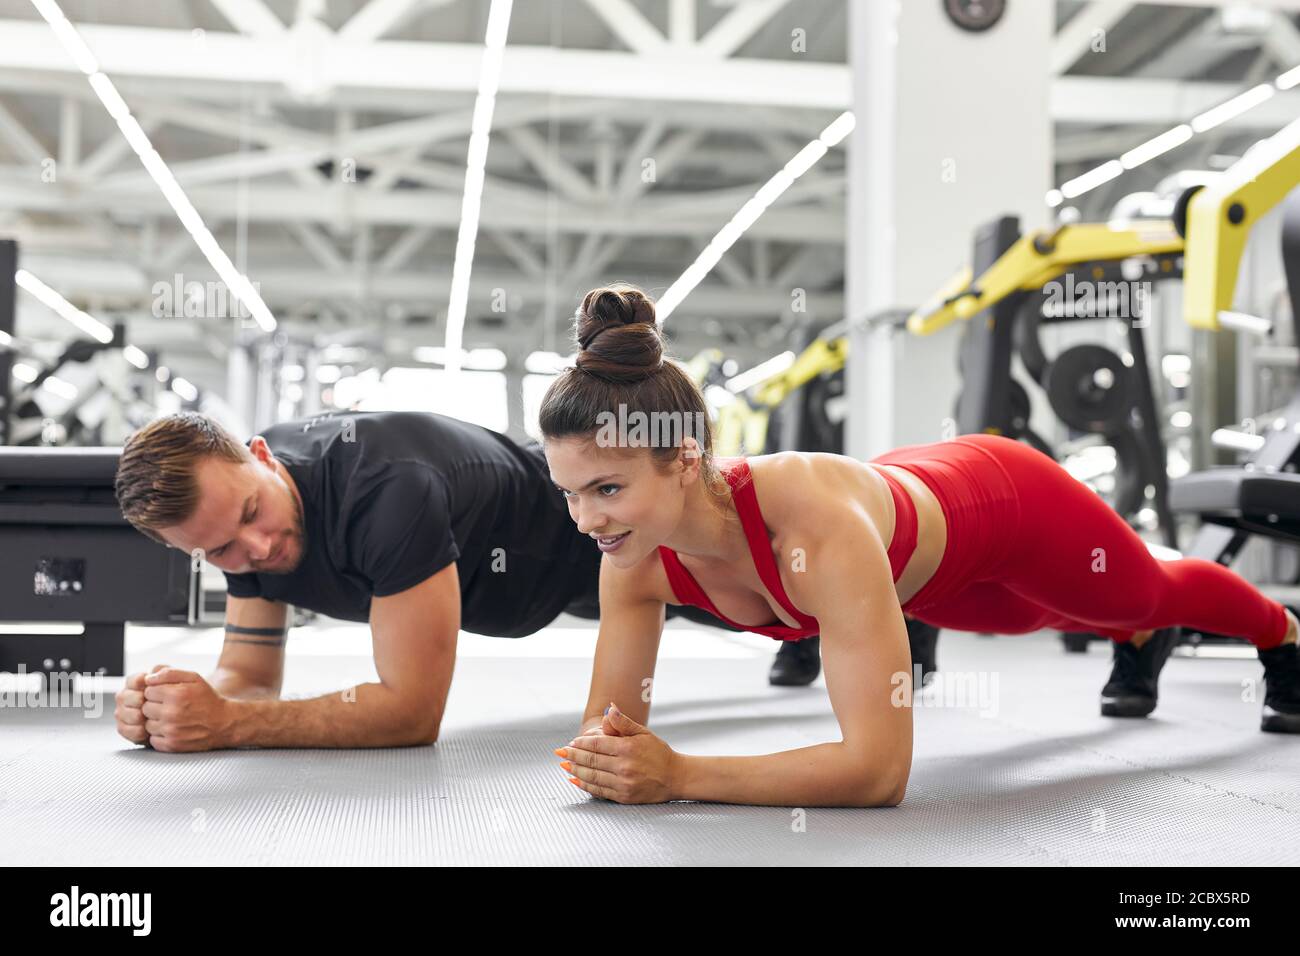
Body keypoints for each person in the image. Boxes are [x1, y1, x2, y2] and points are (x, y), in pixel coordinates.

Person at [542, 284, 1300, 807]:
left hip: (1004, 500)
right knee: (1029, 618)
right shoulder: (634, 559)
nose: (587, 521)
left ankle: (1280, 634)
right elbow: (604, 733)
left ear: (681, 458)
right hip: (924, 572)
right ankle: (1128, 637)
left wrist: (677, 773)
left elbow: (877, 774)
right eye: (570, 493)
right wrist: (612, 758)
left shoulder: (815, 528)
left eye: (607, 489)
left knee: (1142, 592)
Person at [111, 410, 731, 752]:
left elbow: (410, 713)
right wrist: (172, 701)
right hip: (511, 593)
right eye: (219, 550)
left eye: (252, 513)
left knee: (735, 593)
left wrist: (226, 725)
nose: (258, 548)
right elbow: (246, 678)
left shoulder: (385, 488)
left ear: (264, 458)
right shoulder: (239, 521)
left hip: (568, 537)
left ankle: (809, 628)